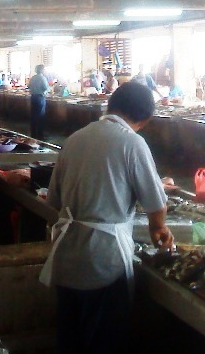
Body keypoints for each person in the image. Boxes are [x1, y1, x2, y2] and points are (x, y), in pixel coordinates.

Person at [40, 81, 174, 354]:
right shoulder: (133, 143)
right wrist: (157, 227)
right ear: (145, 119)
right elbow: (156, 202)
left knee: (71, 338)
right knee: (104, 342)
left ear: (110, 106)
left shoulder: (74, 139)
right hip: (104, 260)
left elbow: (53, 200)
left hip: (67, 256)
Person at [29, 64, 51, 140]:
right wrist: (48, 89)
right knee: (40, 116)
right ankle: (40, 135)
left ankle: (33, 134)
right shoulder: (42, 78)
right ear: (41, 70)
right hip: (40, 98)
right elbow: (46, 88)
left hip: (33, 97)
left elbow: (29, 86)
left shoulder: (33, 78)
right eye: (44, 69)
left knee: (33, 115)